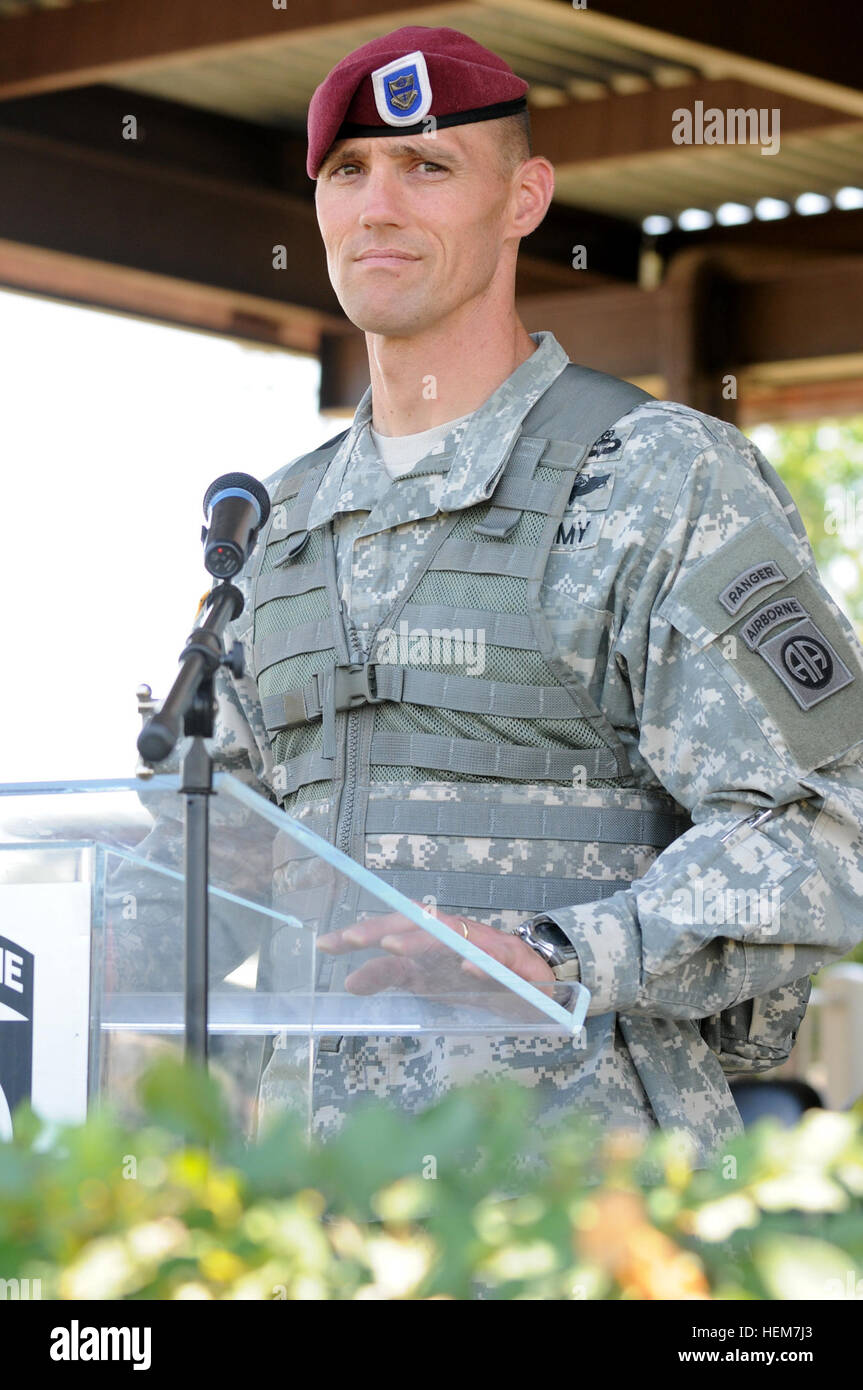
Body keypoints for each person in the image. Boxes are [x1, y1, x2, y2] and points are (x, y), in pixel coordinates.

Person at [117, 25, 863, 1166]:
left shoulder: (658, 480)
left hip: (582, 1208)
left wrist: (567, 953)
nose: (376, 207)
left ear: (523, 199)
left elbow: (825, 818)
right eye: (346, 173)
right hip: (321, 1217)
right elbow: (199, 875)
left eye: (426, 166)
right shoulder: (273, 529)